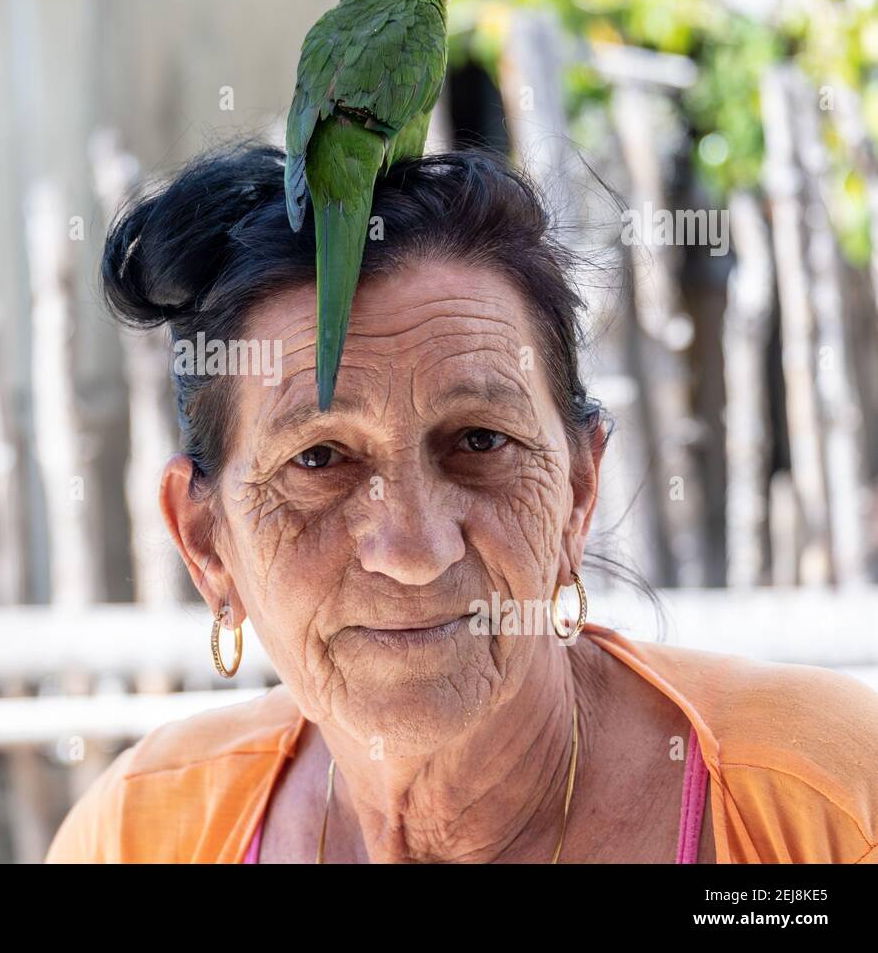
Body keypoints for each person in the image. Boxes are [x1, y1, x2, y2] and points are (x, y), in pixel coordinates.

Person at [45, 143, 878, 863]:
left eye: (481, 442)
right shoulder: (143, 833)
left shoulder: (825, 806)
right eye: (320, 458)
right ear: (206, 543)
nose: (413, 547)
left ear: (577, 494)